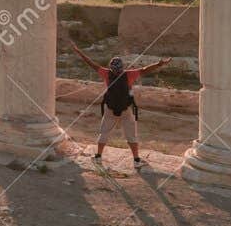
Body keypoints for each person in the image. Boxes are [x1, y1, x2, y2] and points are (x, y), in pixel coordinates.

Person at [66, 39, 171, 169]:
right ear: (122, 67)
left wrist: (78, 51)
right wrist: (159, 64)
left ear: (111, 67)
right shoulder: (129, 75)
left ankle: (98, 157)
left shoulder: (106, 73)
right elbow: (145, 70)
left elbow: (91, 64)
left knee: (104, 133)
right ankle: (136, 160)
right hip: (126, 110)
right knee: (131, 135)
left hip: (110, 109)